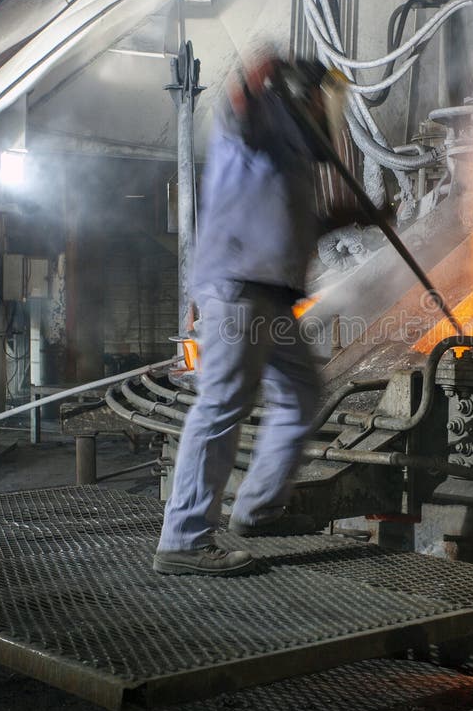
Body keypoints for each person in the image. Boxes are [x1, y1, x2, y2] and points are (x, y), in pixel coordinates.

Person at [153, 55, 365, 577]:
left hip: (272, 297)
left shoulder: (294, 153)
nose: (326, 111)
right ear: (301, 94)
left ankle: (256, 511)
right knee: (223, 402)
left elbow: (293, 226)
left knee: (301, 393)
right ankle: (183, 539)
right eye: (321, 99)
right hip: (238, 288)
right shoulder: (257, 120)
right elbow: (240, 95)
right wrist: (266, 61)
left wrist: (355, 215)